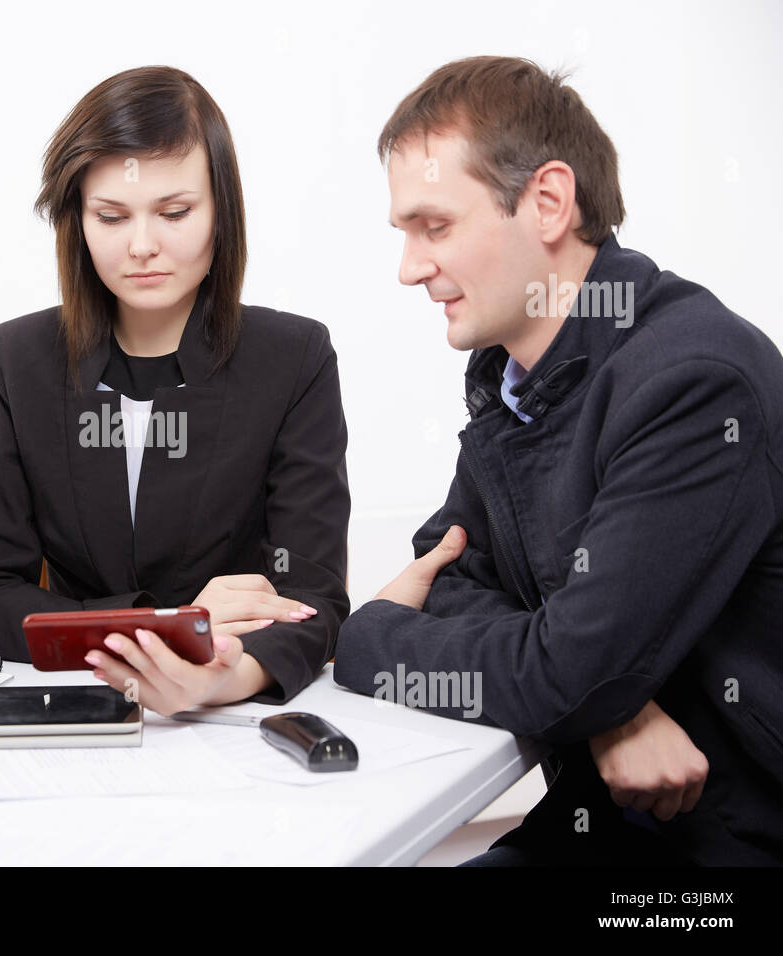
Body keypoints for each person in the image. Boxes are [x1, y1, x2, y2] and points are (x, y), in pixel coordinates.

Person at [333, 56, 783, 865]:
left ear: (547, 202)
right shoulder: (514, 381)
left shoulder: (693, 381)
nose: (409, 268)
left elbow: (565, 669)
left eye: (434, 226)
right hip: (612, 827)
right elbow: (450, 577)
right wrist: (611, 707)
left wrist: (370, 637)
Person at [0, 66, 350, 713]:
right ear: (77, 220)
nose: (141, 246)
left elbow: (310, 596)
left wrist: (221, 677)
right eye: (111, 216)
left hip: (232, 720)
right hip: (75, 710)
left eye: (174, 212)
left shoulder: (293, 359)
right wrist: (164, 626)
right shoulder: (19, 359)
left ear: (222, 210)